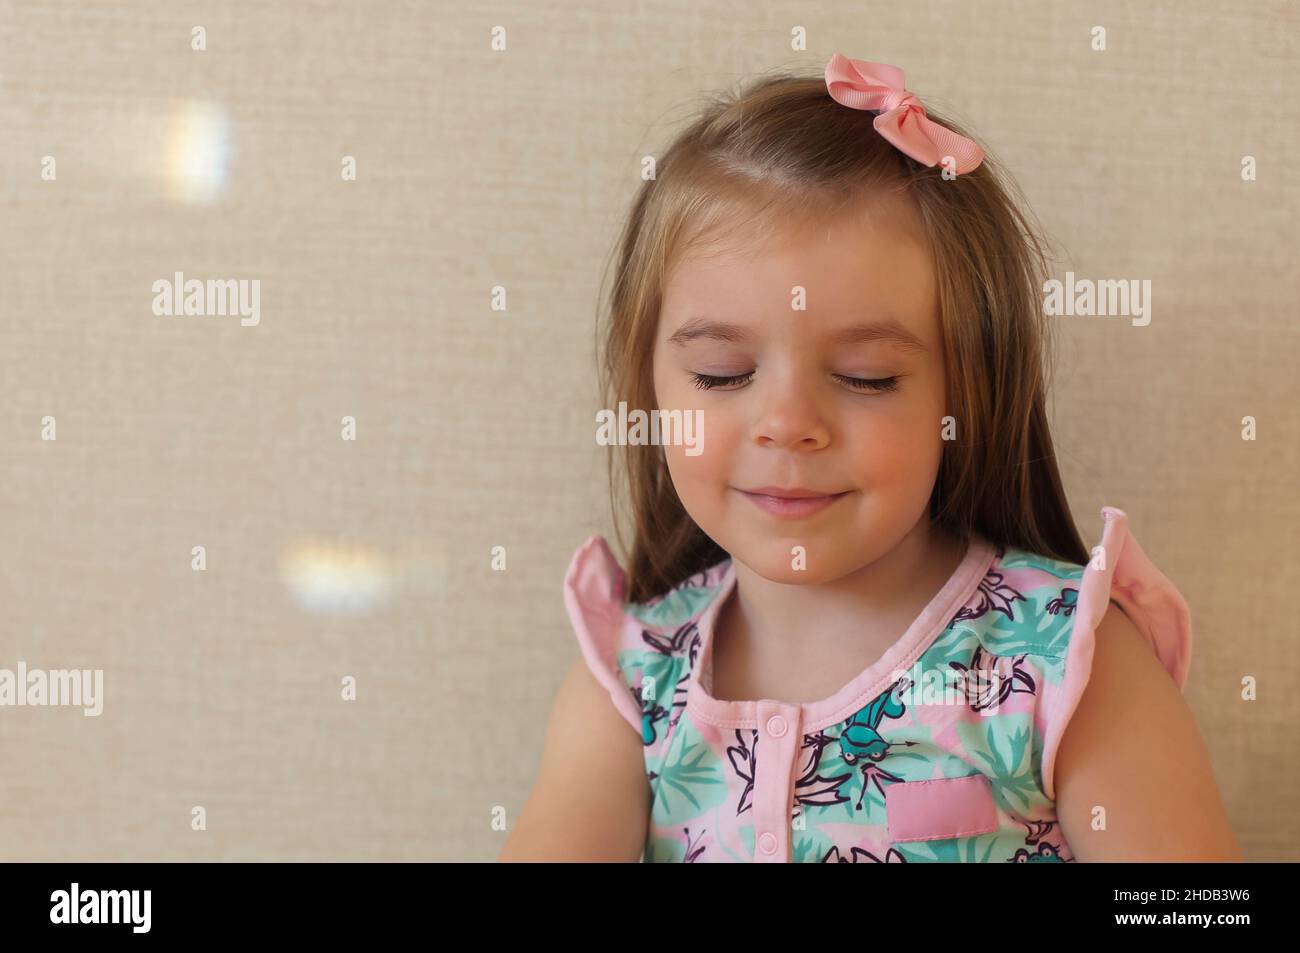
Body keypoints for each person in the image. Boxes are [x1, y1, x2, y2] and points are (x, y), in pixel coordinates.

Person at [499, 54, 1240, 863]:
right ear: (650, 385)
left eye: (866, 378)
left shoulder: (1063, 662)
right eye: (722, 373)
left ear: (964, 391)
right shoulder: (633, 681)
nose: (787, 426)